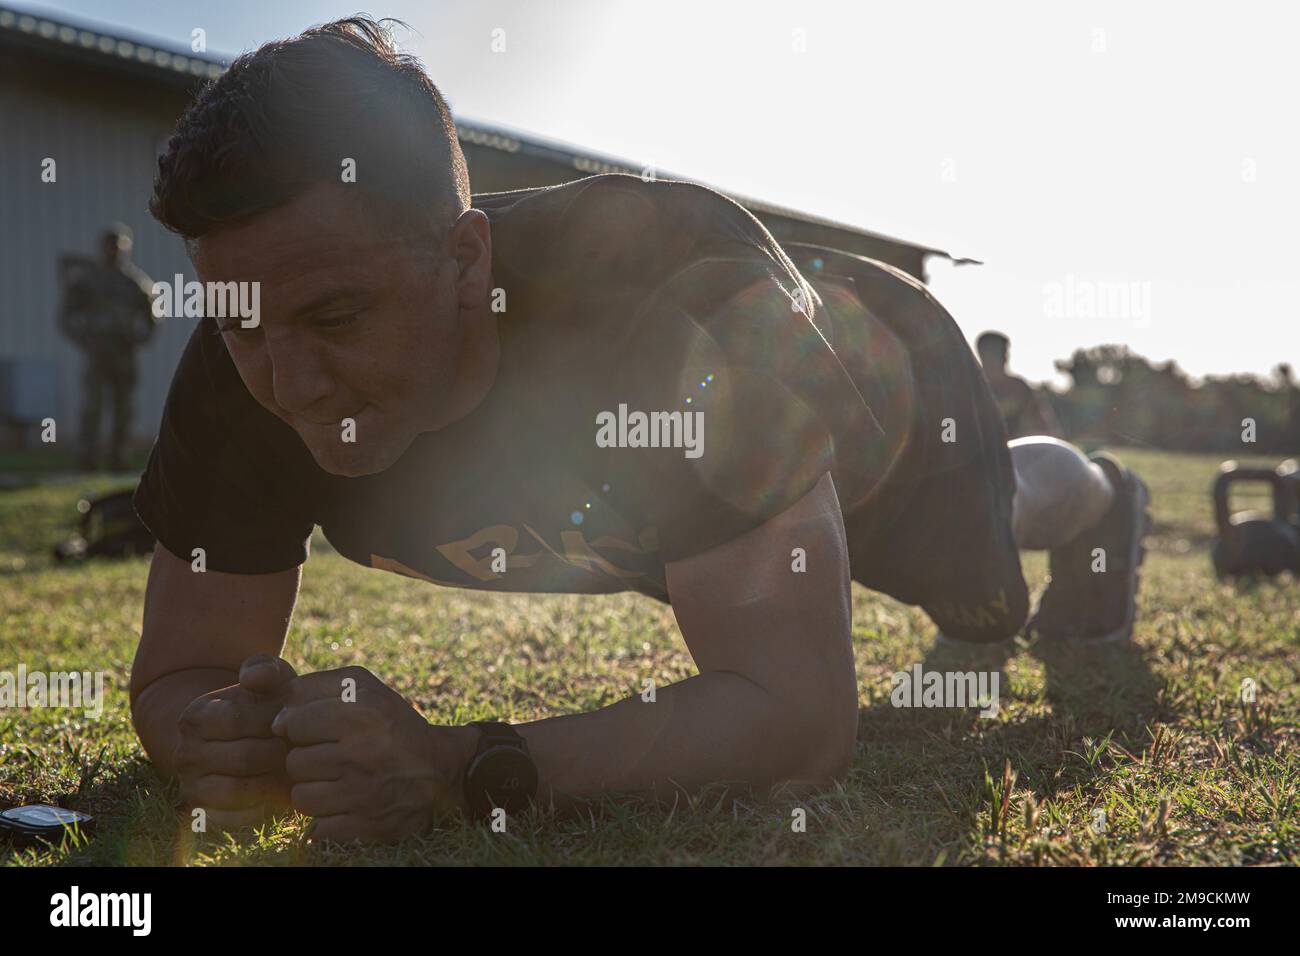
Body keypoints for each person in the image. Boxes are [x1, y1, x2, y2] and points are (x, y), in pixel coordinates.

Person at [128, 17, 1150, 842]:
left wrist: (463, 763)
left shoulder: (674, 309)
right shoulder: (246, 353)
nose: (290, 381)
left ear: (467, 262)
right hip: (665, 502)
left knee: (985, 571)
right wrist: (223, 738)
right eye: (241, 323)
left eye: (338, 318)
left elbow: (795, 721)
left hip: (880, 401)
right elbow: (180, 672)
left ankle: (1105, 491)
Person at [58, 224, 157, 471]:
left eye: (119, 246)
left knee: (124, 408)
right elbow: (66, 315)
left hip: (124, 352)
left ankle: (119, 457)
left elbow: (154, 314)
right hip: (97, 351)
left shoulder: (135, 282)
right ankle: (87, 458)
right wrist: (83, 340)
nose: (114, 251)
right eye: (110, 246)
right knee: (93, 406)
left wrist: (141, 338)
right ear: (102, 248)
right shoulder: (88, 281)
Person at [975, 330, 1062, 439]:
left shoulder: (1019, 388)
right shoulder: (970, 390)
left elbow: (1043, 424)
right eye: (998, 352)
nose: (1004, 357)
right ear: (982, 354)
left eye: (1005, 352)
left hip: (1017, 452)